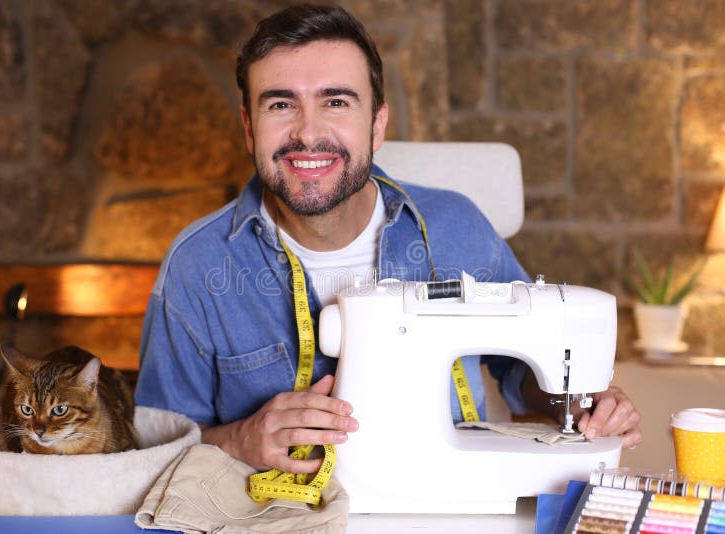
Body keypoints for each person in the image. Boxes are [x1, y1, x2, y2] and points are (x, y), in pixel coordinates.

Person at [135, 4, 641, 475]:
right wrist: (239, 441)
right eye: (281, 104)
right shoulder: (197, 267)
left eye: (336, 101)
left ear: (377, 124)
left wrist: (576, 402)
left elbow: (522, 369)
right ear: (249, 128)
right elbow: (151, 449)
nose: (308, 133)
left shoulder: (456, 228)